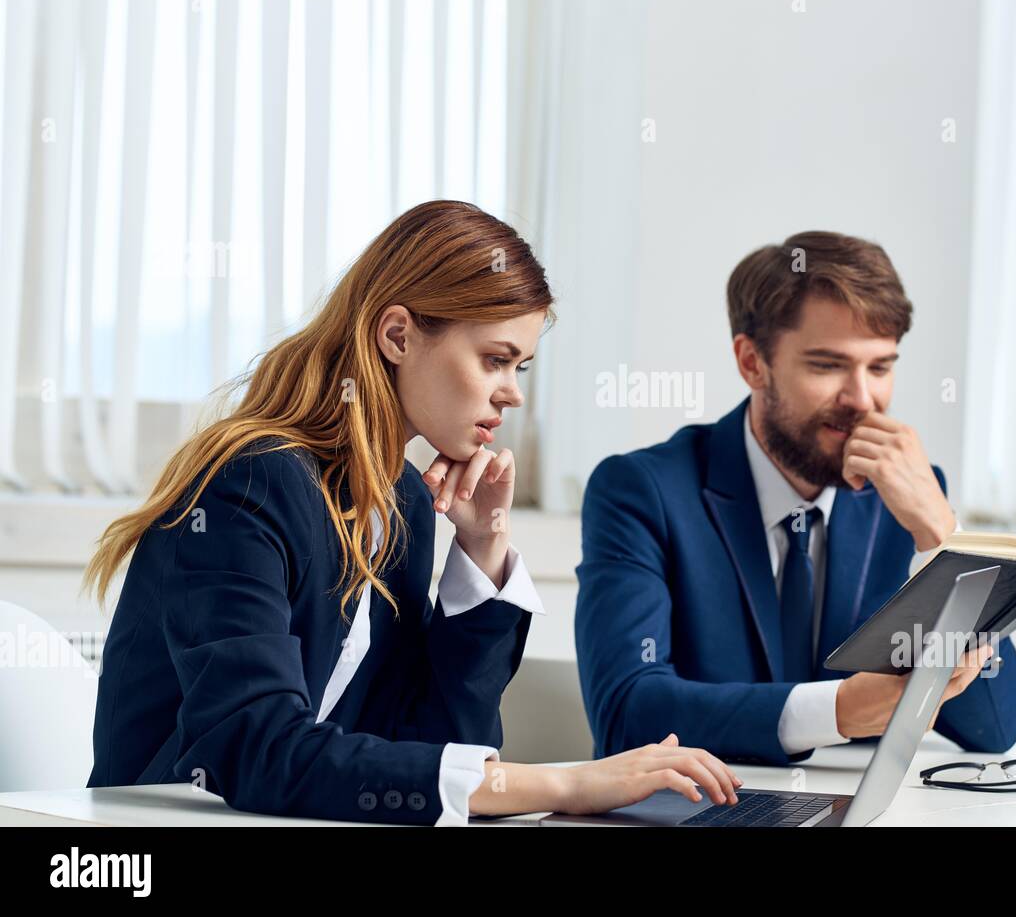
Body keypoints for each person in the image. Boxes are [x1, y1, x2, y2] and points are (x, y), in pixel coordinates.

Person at [84, 200, 742, 824]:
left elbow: (434, 742)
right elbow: (255, 747)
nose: (512, 392)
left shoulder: (400, 498)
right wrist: (565, 781)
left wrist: (481, 550)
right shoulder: (250, 482)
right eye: (494, 359)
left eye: (522, 366)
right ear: (398, 334)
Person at [576, 231, 1016, 765]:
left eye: (880, 367)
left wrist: (944, 539)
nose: (863, 400)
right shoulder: (642, 492)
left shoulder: (911, 495)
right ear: (752, 362)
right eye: (827, 365)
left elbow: (997, 725)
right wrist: (835, 711)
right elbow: (626, 714)